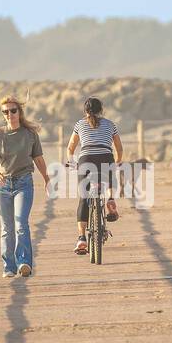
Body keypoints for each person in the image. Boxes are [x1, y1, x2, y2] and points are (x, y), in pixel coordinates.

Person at [0, 95, 50, 278]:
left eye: (13, 111)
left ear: (19, 112)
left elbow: (38, 158)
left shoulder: (30, 134)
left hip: (24, 182)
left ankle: (24, 263)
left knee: (21, 223)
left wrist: (47, 179)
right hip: (3, 184)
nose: (9, 115)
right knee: (7, 227)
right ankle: (9, 266)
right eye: (5, 112)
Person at [66, 96, 123, 255]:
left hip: (86, 159)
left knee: (84, 198)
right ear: (101, 111)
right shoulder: (110, 125)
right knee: (110, 175)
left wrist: (71, 162)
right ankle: (111, 198)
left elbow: (71, 147)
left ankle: (81, 238)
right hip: (105, 157)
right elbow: (119, 148)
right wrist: (117, 162)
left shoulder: (79, 124)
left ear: (85, 111)